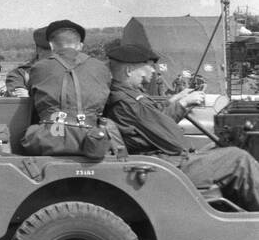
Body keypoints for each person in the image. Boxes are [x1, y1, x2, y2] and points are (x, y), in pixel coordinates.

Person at [104, 42, 259, 210]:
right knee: (238, 158)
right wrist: (183, 104)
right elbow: (173, 139)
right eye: (147, 67)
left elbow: (153, 118)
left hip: (162, 161)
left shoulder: (124, 96)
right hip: (167, 166)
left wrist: (176, 101)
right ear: (128, 71)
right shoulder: (130, 102)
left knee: (220, 149)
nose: (153, 70)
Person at [28, 19, 111, 124]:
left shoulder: (39, 68)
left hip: (52, 133)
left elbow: (32, 102)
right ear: (80, 46)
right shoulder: (101, 67)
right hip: (92, 135)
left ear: (51, 46)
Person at [5, 27, 49, 97]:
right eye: (52, 51)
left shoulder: (67, 70)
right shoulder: (21, 73)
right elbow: (19, 95)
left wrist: (29, 95)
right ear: (39, 50)